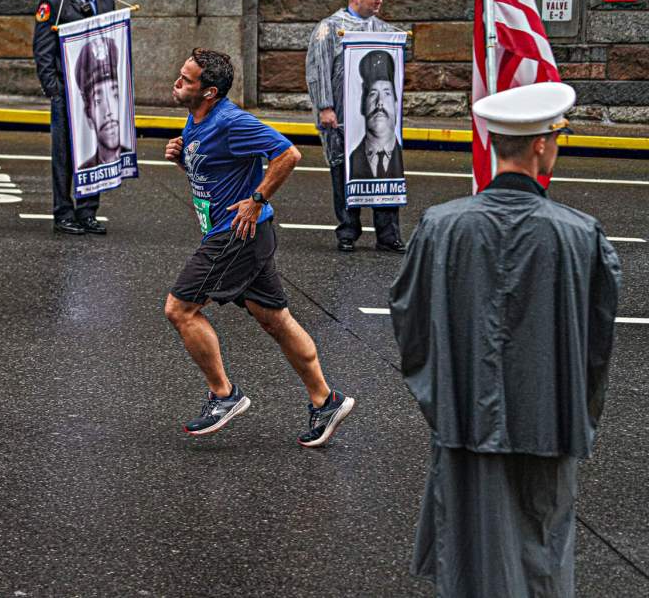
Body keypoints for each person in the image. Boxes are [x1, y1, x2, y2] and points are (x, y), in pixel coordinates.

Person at [390, 81, 620, 598]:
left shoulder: (441, 226)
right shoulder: (579, 234)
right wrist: (575, 410)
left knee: (468, 548)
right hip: (548, 418)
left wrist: (442, 395)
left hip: (465, 413)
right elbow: (596, 341)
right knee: (541, 547)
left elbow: (410, 319)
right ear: (540, 144)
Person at [163, 48, 355, 446]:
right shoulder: (195, 118)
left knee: (180, 309)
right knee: (275, 320)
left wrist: (258, 198)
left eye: (187, 78)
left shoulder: (231, 121)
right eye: (181, 74)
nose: (178, 81)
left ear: (210, 91)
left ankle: (224, 395)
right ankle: (326, 400)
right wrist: (183, 162)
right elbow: (216, 172)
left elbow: (288, 153)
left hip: (237, 233)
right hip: (245, 233)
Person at [305, 0, 405, 253]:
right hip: (341, 117)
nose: (378, 2)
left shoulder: (386, 31)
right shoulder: (329, 28)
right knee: (344, 171)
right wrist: (325, 106)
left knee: (385, 172)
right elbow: (318, 70)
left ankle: (388, 235)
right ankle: (348, 232)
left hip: (380, 119)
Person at [32, 0, 117, 235]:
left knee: (94, 152)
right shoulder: (53, 4)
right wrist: (54, 90)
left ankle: (87, 212)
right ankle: (63, 212)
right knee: (64, 156)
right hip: (67, 93)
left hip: (97, 93)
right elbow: (43, 51)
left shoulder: (106, 3)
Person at [348, 49, 404, 180]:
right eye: (373, 94)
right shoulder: (350, 161)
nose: (380, 103)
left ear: (396, 105)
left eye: (387, 93)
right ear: (363, 104)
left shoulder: (399, 157)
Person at [74, 33, 123, 170]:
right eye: (98, 101)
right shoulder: (85, 168)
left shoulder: (128, 152)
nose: (108, 111)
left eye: (114, 95)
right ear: (88, 116)